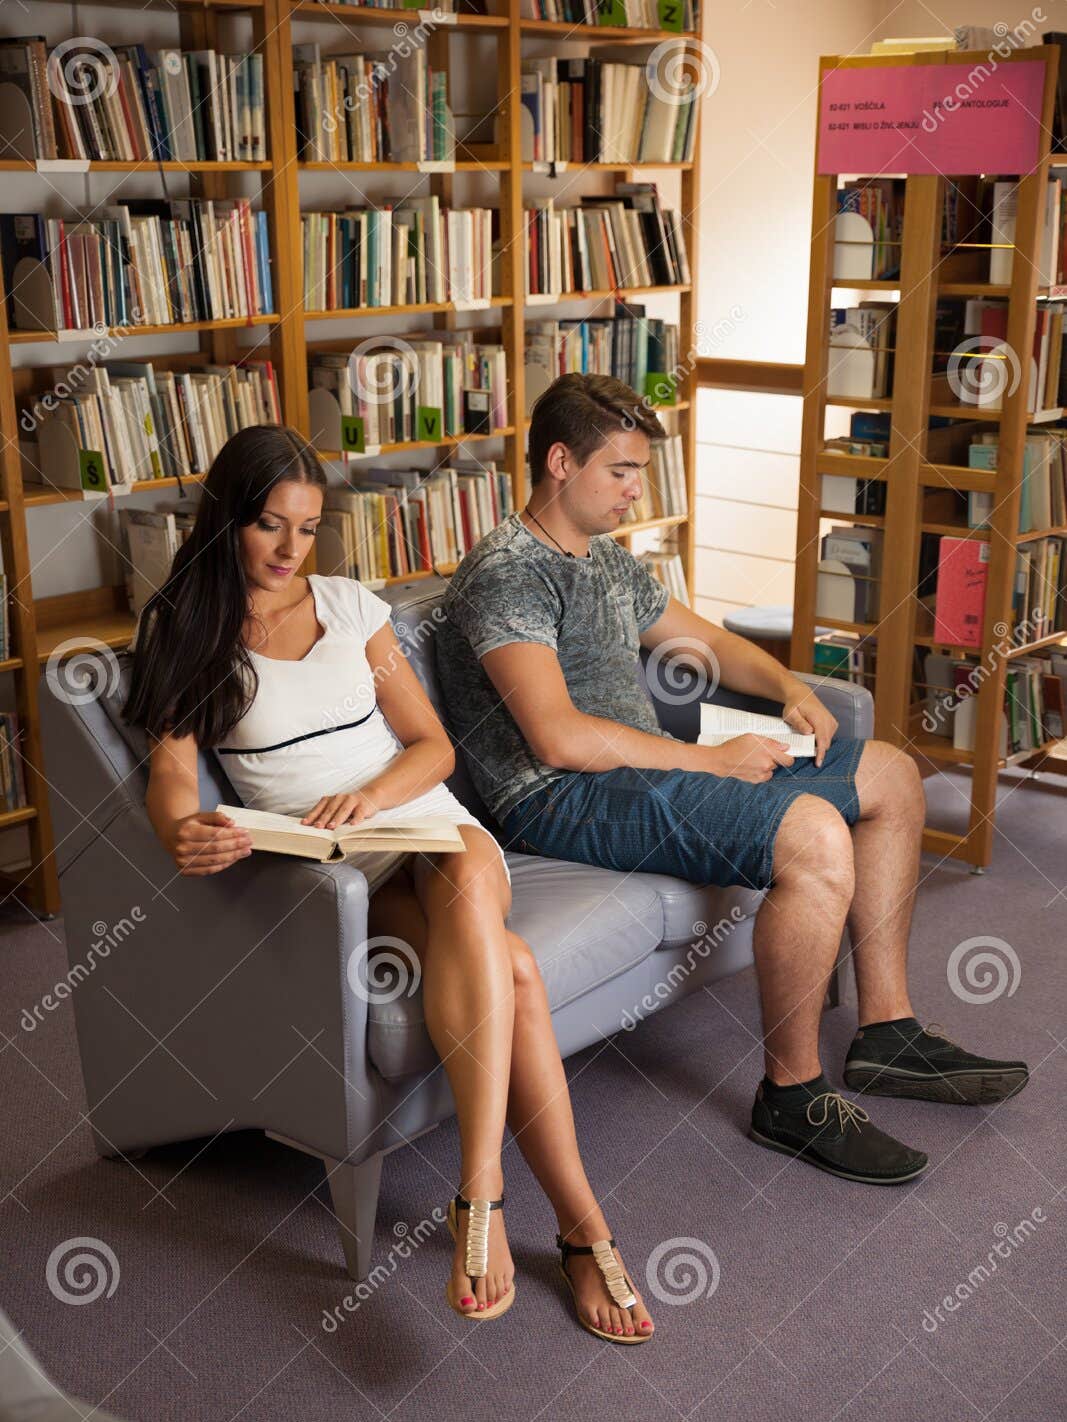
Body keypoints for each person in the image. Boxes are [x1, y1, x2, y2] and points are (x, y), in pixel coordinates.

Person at [124, 424, 653, 1343]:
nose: (292, 551)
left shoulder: (349, 606)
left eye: (308, 527)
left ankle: (481, 1193)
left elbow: (432, 746)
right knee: (515, 971)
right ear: (226, 522)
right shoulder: (186, 630)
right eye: (269, 527)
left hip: (423, 823)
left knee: (462, 875)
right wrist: (182, 833)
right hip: (330, 869)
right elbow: (172, 779)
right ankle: (579, 1231)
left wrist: (369, 794)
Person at [436, 374, 1029, 1187]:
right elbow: (559, 738)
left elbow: (701, 640)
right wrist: (713, 761)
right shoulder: (508, 573)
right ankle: (791, 1096)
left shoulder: (605, 560)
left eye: (640, 470)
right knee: (812, 832)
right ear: (559, 462)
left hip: (633, 771)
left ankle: (886, 1034)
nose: (634, 488)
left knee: (890, 774)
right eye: (619, 471)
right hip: (553, 798)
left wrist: (788, 688)